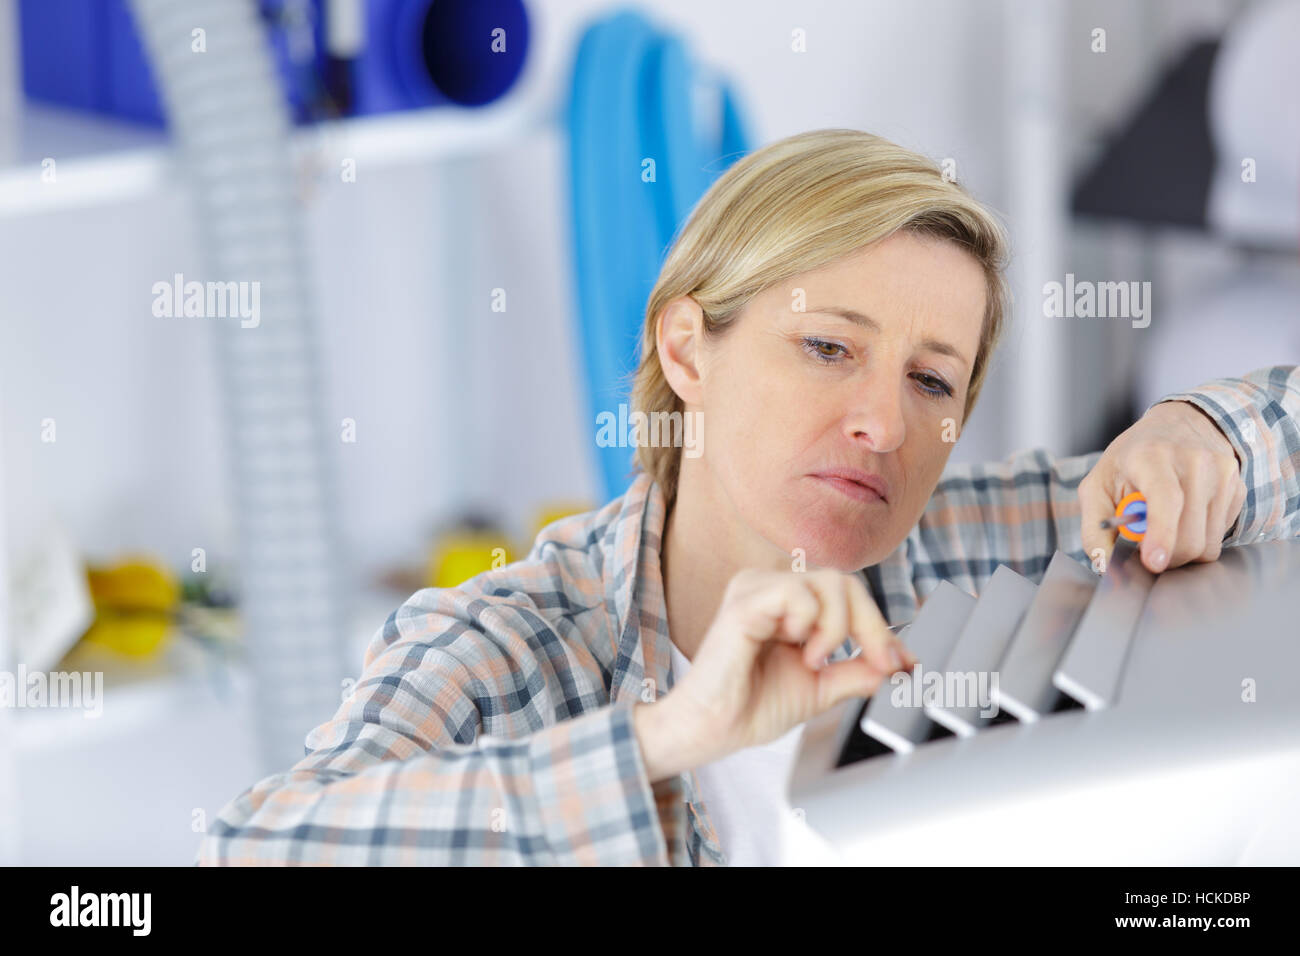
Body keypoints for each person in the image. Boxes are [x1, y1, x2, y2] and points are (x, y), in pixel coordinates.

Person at [197, 129, 1300, 866]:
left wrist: (1207, 433)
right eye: (827, 347)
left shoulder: (978, 548)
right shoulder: (513, 645)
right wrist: (669, 736)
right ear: (687, 347)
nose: (882, 422)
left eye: (930, 379)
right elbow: (251, 851)